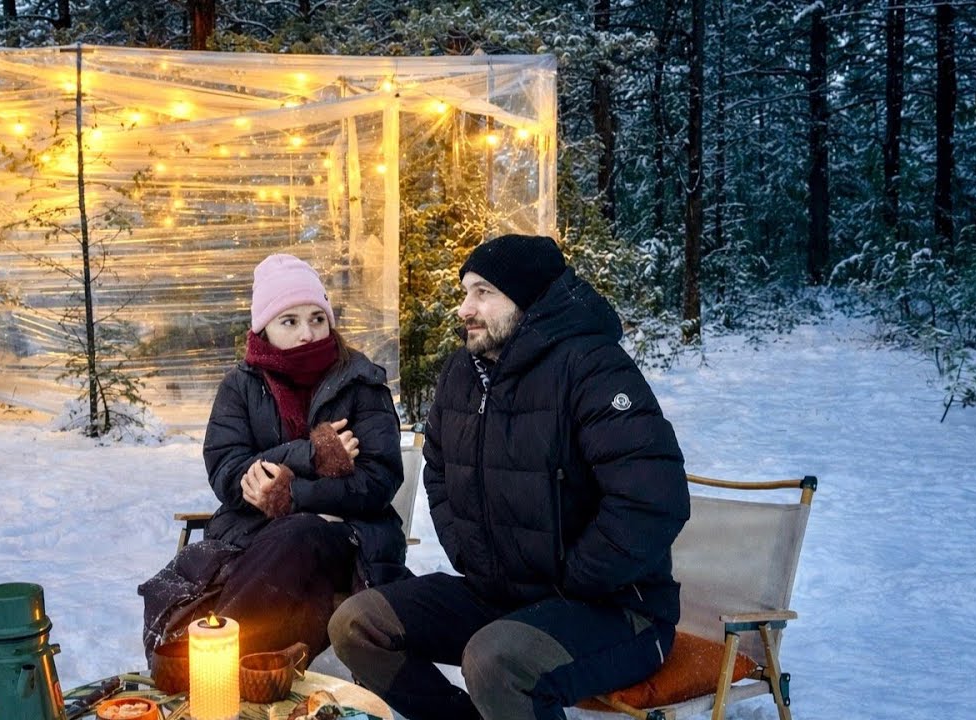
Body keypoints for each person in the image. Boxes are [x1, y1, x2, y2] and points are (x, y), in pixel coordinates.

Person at [329, 234, 690, 720]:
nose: (464, 308)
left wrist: (573, 578)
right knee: (357, 624)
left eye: (483, 292)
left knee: (495, 658)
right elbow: (438, 465)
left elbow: (654, 500)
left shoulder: (593, 369)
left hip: (613, 609)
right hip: (500, 595)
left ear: (529, 299)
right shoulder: (463, 372)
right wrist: (467, 550)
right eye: (464, 292)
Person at [139, 253, 408, 662]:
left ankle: (207, 663)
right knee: (299, 593)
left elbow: (378, 480)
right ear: (264, 327)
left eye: (317, 318)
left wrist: (291, 494)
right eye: (290, 321)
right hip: (252, 537)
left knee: (299, 532)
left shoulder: (361, 382)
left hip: (350, 539)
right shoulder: (240, 387)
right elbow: (228, 470)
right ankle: (264, 678)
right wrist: (310, 454)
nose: (308, 333)